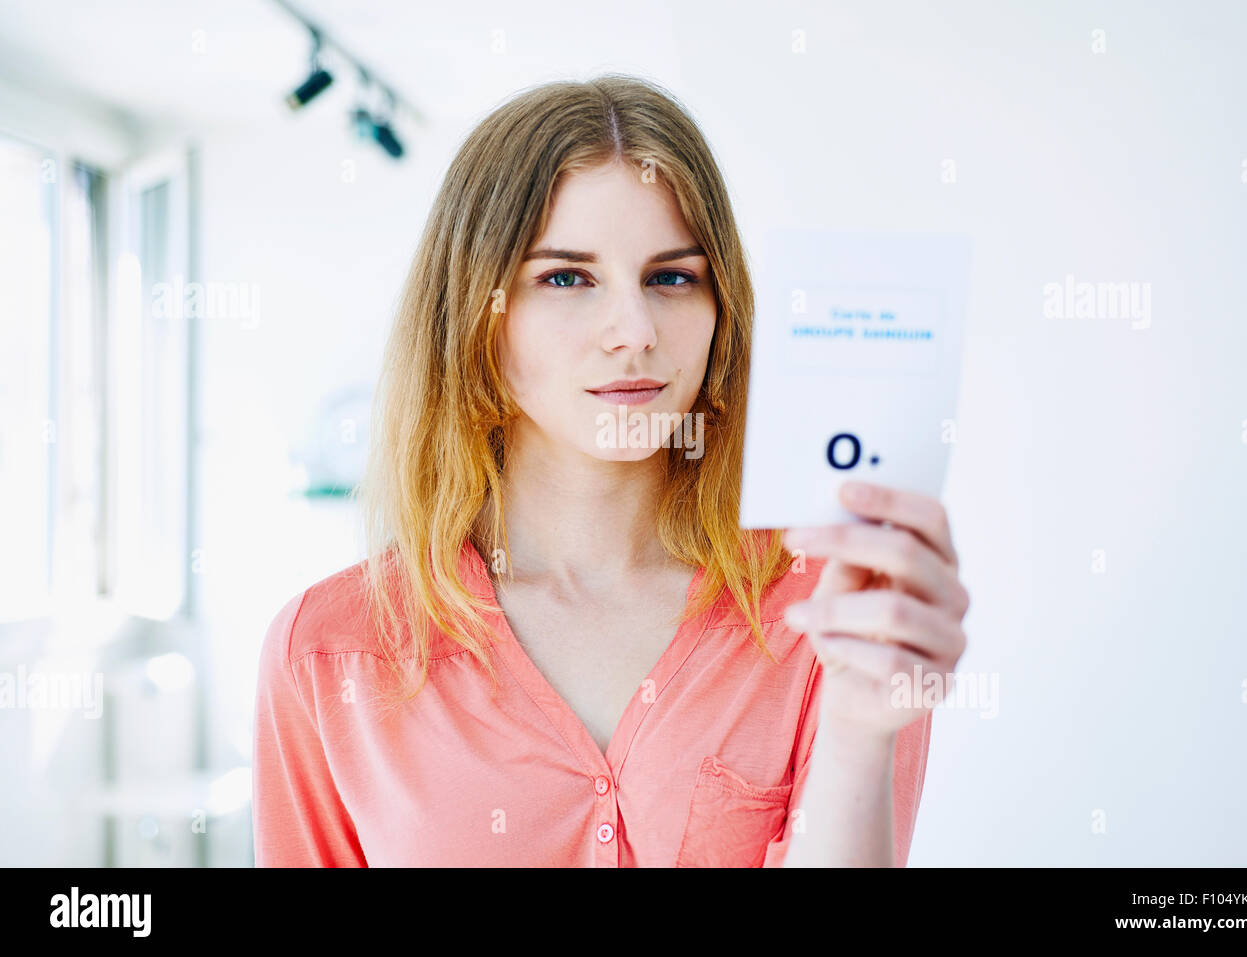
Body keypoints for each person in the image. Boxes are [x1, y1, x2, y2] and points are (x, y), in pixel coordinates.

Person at [252, 73, 970, 867]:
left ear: (719, 309)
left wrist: (863, 733)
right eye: (566, 276)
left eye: (672, 277)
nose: (633, 330)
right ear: (474, 311)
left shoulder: (829, 612)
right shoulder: (327, 652)